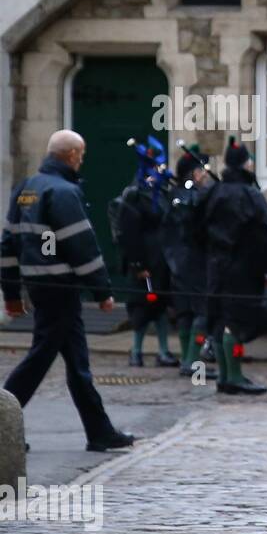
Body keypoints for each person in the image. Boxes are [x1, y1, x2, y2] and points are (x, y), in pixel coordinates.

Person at [1, 129, 134, 453]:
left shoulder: (25, 189)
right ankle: (3, 425)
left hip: (40, 286)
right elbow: (82, 247)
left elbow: (7, 245)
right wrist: (102, 291)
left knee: (77, 363)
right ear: (72, 155)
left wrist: (13, 294)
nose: (82, 160)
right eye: (82, 155)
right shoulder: (64, 193)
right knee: (40, 358)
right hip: (60, 288)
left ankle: (99, 431)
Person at [196, 137, 267, 396]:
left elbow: (196, 228)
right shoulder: (249, 195)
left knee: (222, 319)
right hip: (242, 267)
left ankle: (226, 375)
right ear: (245, 165)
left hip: (217, 264)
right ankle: (233, 375)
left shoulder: (213, 192)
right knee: (234, 323)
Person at [113, 137, 178, 368]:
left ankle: (163, 351)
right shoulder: (135, 195)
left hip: (160, 260)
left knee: (159, 306)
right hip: (143, 261)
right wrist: (138, 265)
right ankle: (137, 351)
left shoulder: (161, 192)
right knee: (142, 308)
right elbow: (129, 234)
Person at [162, 141, 214, 377]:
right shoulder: (191, 196)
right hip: (192, 261)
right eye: (202, 170)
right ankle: (193, 361)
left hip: (178, 261)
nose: (205, 174)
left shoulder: (175, 193)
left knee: (186, 313)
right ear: (194, 172)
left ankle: (187, 359)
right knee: (199, 313)